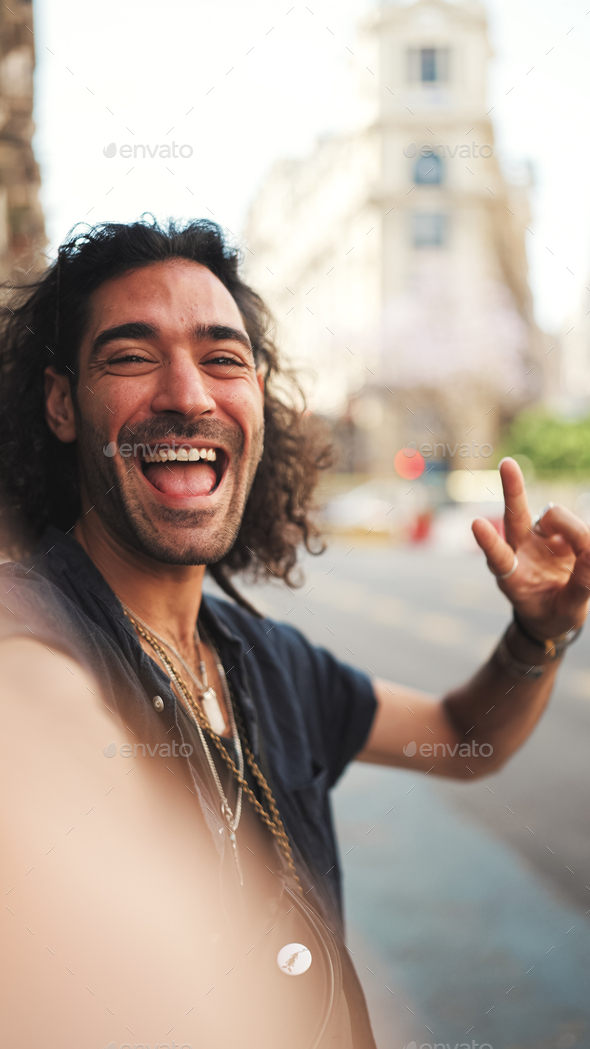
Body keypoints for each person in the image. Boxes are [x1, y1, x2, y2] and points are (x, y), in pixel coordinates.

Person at [1, 218, 589, 1047]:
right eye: (133, 355)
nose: (190, 394)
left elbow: (461, 740)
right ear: (63, 404)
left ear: (259, 399)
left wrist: (537, 637)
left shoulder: (264, 657)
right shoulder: (28, 630)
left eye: (223, 357)